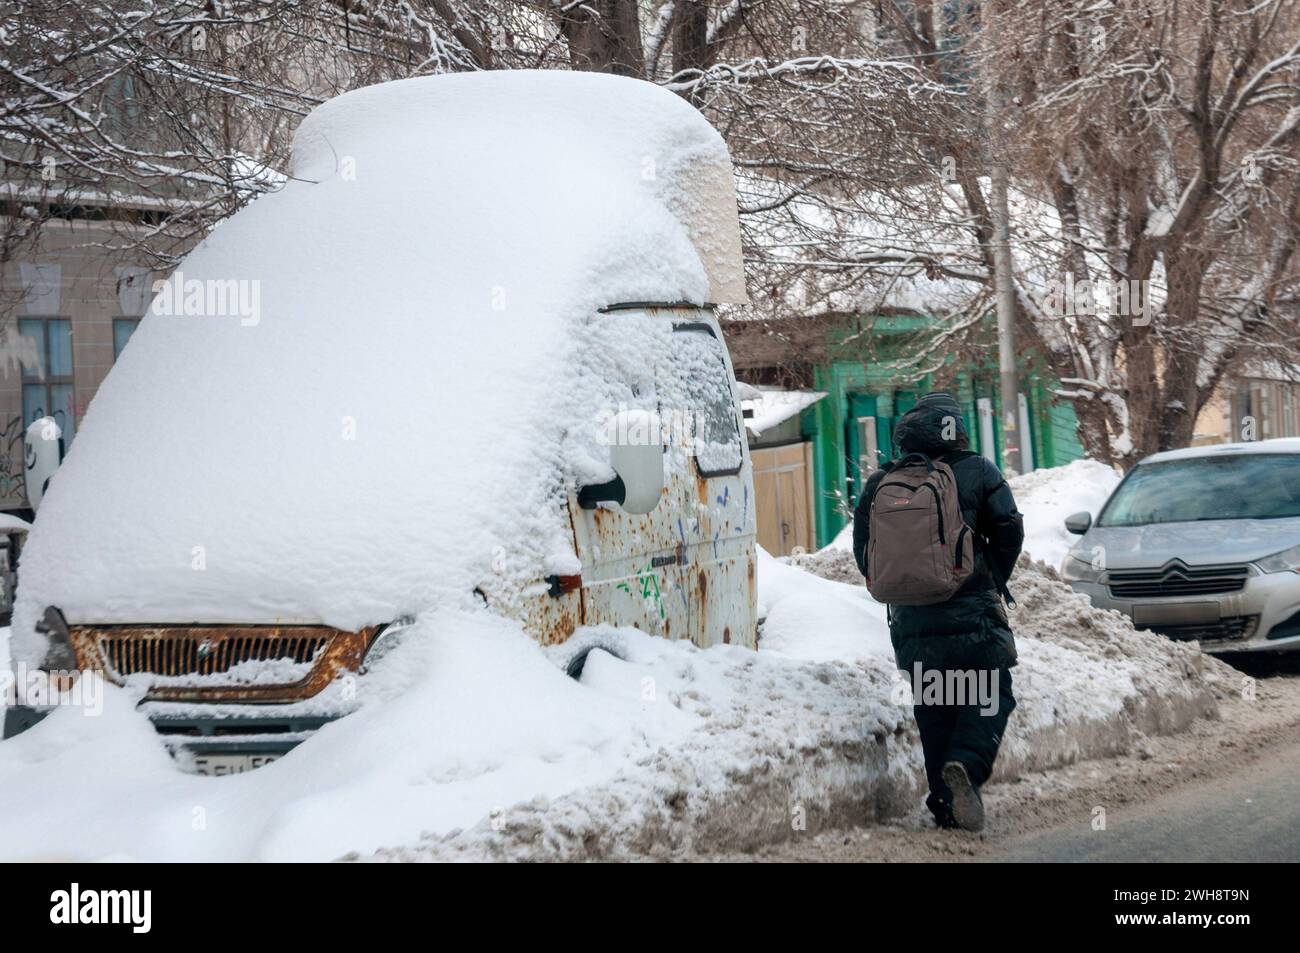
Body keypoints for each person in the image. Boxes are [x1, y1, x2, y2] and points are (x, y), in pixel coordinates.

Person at [852, 392, 1024, 831]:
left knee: (936, 706)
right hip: (973, 615)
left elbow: (865, 551)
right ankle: (965, 766)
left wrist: (907, 588)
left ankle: (946, 805)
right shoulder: (979, 471)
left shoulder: (880, 484)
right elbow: (1008, 528)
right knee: (989, 693)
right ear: (955, 429)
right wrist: (987, 574)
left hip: (911, 622)